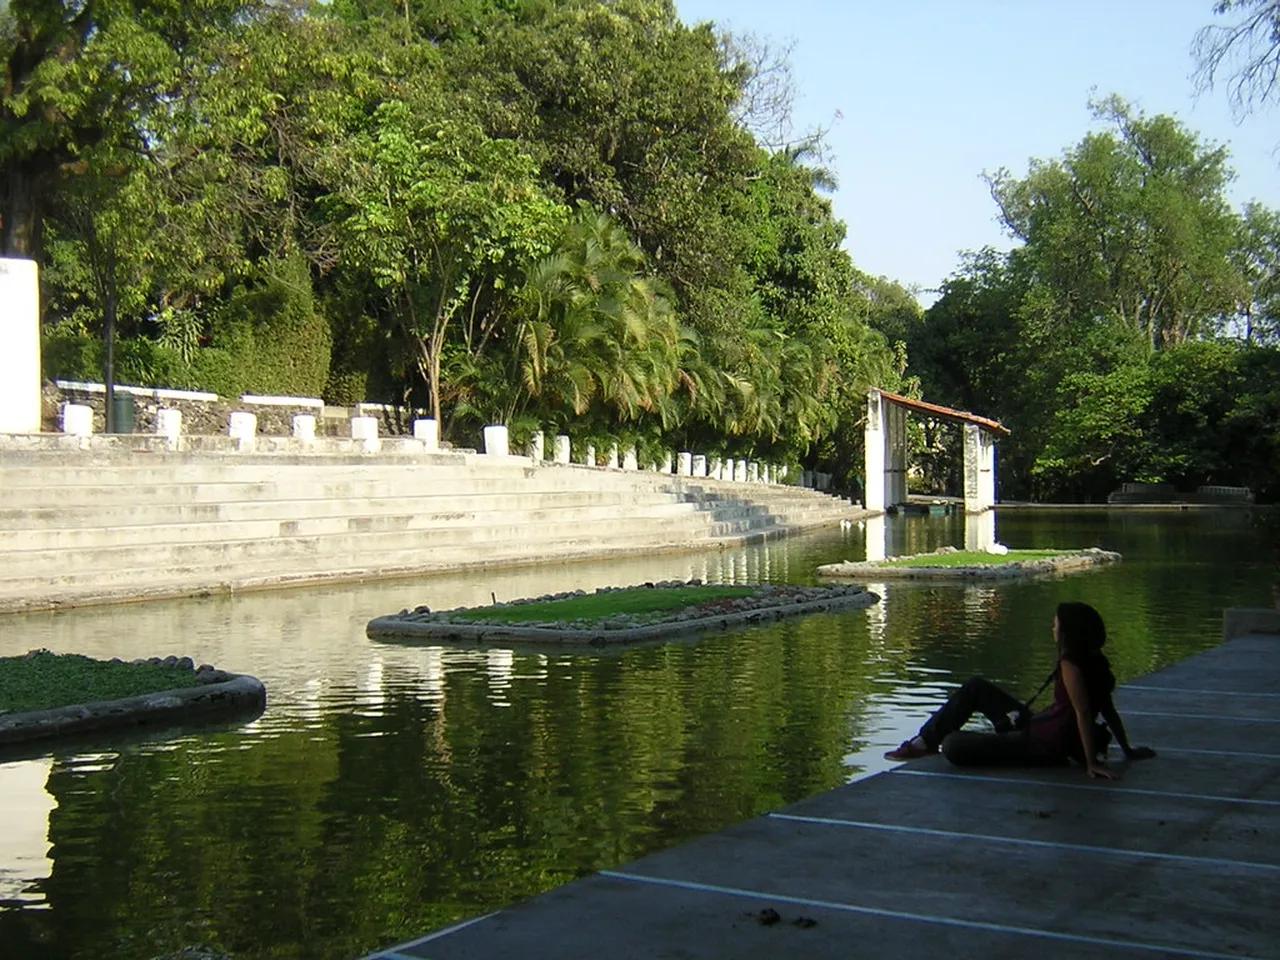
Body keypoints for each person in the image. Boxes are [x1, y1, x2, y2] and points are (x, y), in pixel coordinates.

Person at [884, 601, 1156, 778]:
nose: (1052, 628)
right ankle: (924, 743)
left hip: (1046, 743)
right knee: (977, 688)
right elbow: (1107, 709)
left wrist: (1091, 763)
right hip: (1045, 728)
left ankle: (930, 743)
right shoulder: (1096, 661)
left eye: (1056, 624)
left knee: (954, 745)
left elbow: (1083, 713)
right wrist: (1127, 749)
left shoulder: (1071, 664)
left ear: (1067, 632)